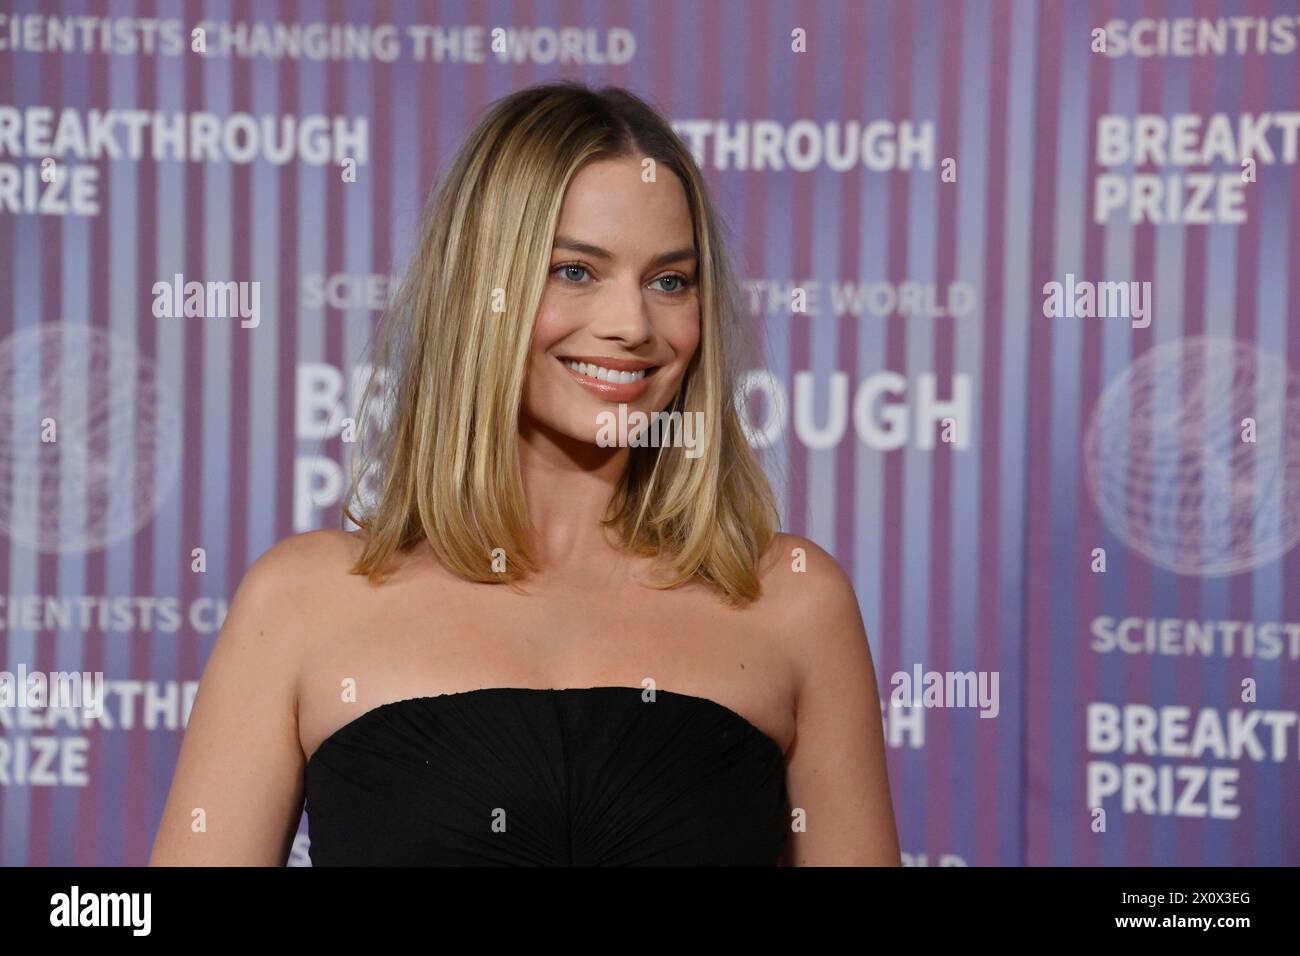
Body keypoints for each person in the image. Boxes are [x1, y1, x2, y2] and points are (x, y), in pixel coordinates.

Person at [150, 81, 899, 866]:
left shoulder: (793, 600)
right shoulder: (303, 602)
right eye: (575, 271)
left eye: (669, 281)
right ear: (483, 292)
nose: (631, 325)